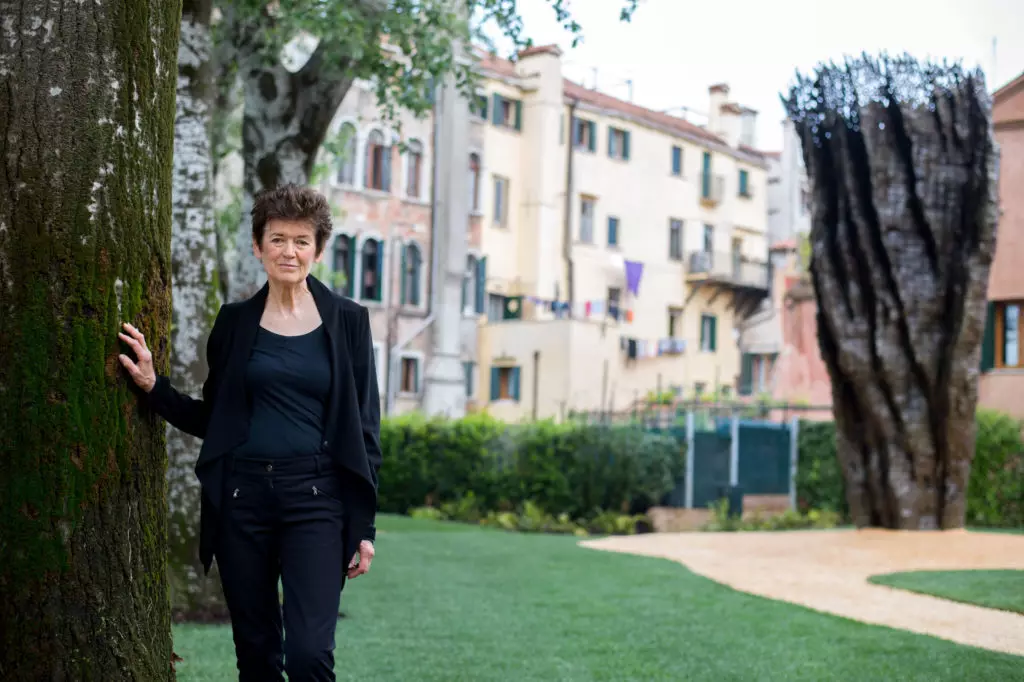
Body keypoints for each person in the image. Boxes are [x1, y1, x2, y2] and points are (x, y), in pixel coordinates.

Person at [118, 184, 382, 681]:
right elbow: (217, 421)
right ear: (258, 246)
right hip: (243, 501)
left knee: (309, 655)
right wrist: (156, 388)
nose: (289, 251)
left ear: (318, 249)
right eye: (277, 239)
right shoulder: (235, 323)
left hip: (317, 501)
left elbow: (366, 428)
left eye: (302, 241)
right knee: (257, 656)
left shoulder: (348, 321)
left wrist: (363, 527)